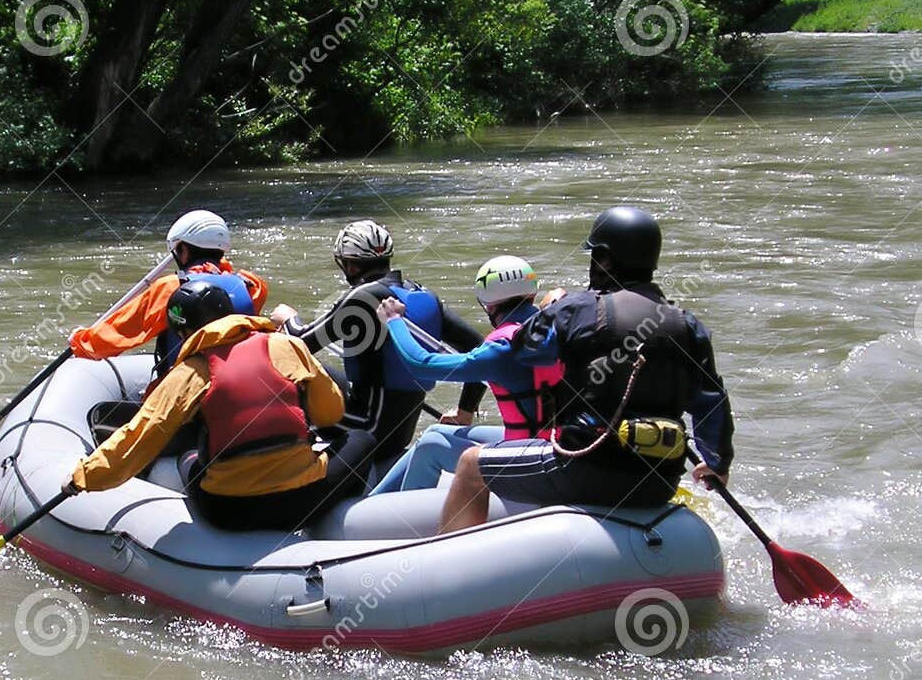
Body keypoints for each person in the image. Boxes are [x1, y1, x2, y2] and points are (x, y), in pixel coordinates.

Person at [437, 207, 734, 532]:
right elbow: (711, 402)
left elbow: (525, 350)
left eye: (595, 257)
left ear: (605, 260)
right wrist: (718, 462)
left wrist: (550, 309)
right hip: (659, 481)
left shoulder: (578, 309)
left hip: (582, 470)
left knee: (469, 465)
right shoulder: (687, 325)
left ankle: (443, 571)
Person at [62, 280, 376, 532]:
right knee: (362, 439)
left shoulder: (189, 373)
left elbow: (139, 438)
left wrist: (82, 478)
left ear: (183, 332)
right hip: (303, 501)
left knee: (190, 457)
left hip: (228, 512)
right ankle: (339, 527)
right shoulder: (286, 345)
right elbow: (330, 414)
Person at [270, 219, 484, 473]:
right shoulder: (424, 295)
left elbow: (300, 343)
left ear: (349, 264)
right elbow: (480, 349)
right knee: (322, 372)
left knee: (292, 379)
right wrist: (465, 412)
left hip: (366, 430)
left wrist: (288, 318)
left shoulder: (362, 297)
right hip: (400, 434)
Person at [368, 255, 562, 493]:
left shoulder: (502, 350)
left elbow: (421, 364)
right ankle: (374, 499)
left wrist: (394, 321)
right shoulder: (554, 326)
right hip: (544, 442)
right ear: (531, 294)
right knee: (437, 431)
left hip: (532, 458)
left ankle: (392, 522)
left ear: (489, 305)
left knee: (432, 446)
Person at [68, 210, 268, 381]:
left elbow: (120, 334)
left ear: (184, 251)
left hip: (183, 390)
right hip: (236, 385)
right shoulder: (252, 285)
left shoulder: (171, 288)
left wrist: (81, 341)